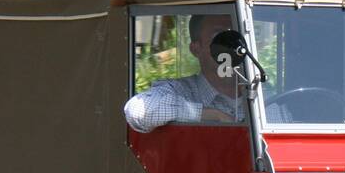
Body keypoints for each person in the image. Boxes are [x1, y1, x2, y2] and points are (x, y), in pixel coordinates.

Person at [123, 14, 290, 132]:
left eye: (235, 37)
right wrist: (210, 115)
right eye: (219, 36)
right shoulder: (182, 91)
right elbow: (138, 112)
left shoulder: (265, 98)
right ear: (196, 48)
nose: (230, 45)